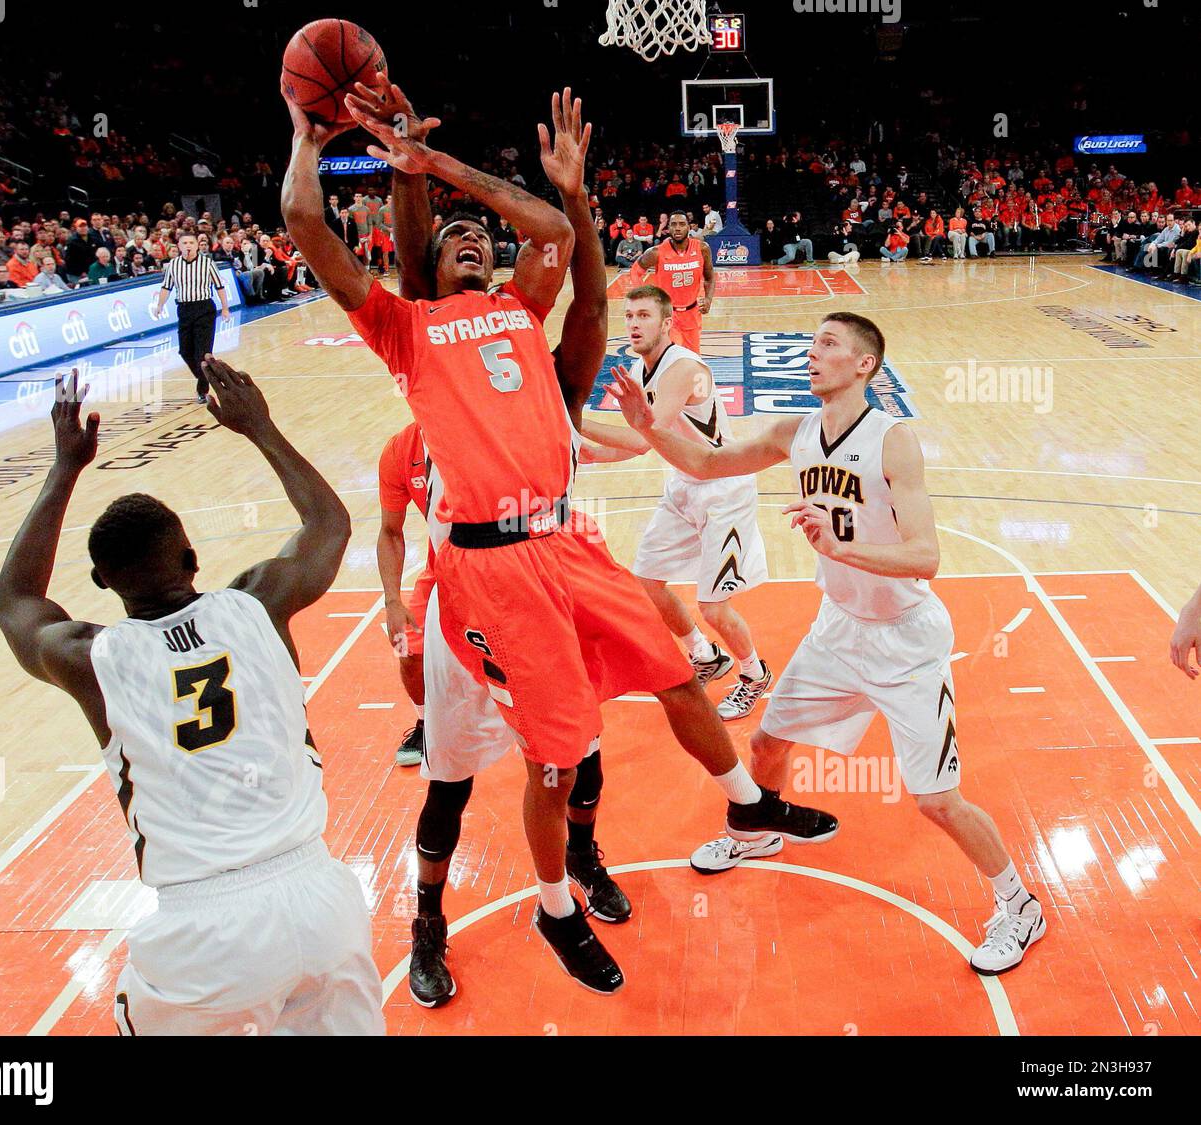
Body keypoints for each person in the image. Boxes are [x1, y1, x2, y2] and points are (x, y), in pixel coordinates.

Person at [286, 82, 812, 994]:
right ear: (427, 265)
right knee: (508, 768)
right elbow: (308, 222)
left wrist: (463, 169)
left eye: (479, 238)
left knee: (667, 681)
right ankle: (494, 909)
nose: (472, 241)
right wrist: (313, 137)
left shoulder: (524, 317)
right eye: (453, 240)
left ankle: (742, 804)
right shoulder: (408, 330)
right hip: (480, 568)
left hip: (564, 540)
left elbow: (562, 244)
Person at [610, 312, 1047, 976]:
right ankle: (751, 834)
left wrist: (843, 546)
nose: (811, 354)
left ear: (864, 364)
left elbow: (926, 555)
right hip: (837, 630)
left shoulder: (892, 442)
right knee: (766, 743)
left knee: (936, 801)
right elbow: (704, 460)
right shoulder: (796, 431)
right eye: (811, 343)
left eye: (827, 344)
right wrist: (648, 425)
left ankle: (1019, 905)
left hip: (906, 642)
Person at [0, 366, 384, 1034]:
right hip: (323, 900)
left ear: (102, 581)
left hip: (207, 928)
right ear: (193, 557)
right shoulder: (260, 602)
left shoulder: (94, 657)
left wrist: (64, 469)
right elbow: (330, 524)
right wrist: (259, 427)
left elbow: (17, 602)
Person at [582, 285, 774, 720]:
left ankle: (754, 672)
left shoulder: (683, 369)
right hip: (684, 483)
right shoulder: (637, 368)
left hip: (725, 491)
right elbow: (636, 445)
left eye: (645, 315)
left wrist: (573, 417)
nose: (634, 323)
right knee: (648, 583)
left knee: (713, 606)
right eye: (629, 315)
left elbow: (637, 436)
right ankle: (704, 655)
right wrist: (583, 451)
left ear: (667, 323)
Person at [376, 419, 431, 767]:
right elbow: (390, 532)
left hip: (507, 559)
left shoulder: (483, 428)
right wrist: (392, 600)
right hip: (446, 565)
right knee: (407, 647)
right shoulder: (400, 450)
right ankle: (427, 723)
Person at [154, 233, 232, 403]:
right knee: (184, 351)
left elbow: (219, 286)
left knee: (202, 353)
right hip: (184, 309)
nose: (188, 245)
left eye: (191, 242)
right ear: (179, 246)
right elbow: (166, 287)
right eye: (184, 243)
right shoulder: (173, 265)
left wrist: (225, 308)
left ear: (197, 245)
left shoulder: (207, 263)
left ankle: (202, 390)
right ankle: (207, 376)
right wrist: (159, 305)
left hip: (204, 308)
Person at [627, 210, 714, 353]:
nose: (678, 228)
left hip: (692, 313)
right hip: (667, 314)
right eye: (673, 224)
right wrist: (646, 299)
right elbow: (635, 271)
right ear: (668, 228)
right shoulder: (656, 252)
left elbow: (710, 277)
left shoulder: (702, 248)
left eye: (682, 224)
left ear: (689, 227)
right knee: (671, 358)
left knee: (692, 359)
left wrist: (709, 299)